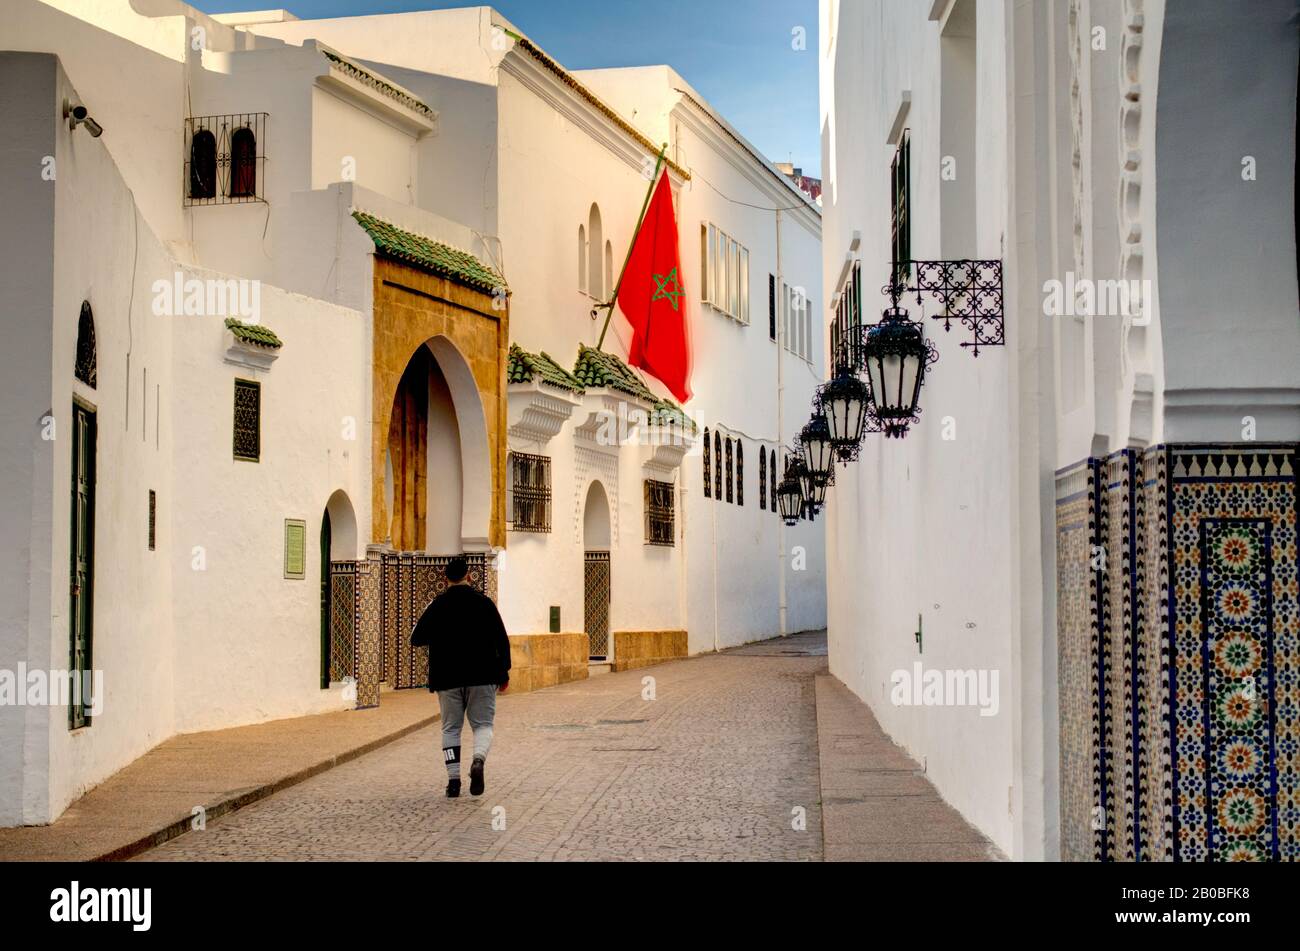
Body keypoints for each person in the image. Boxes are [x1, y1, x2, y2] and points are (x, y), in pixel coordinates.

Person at [410, 557, 511, 798]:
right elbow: (501, 640)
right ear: (469, 576)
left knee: (450, 729)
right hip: (483, 675)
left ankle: (453, 780)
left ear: (446, 579)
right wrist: (504, 671)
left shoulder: (437, 605)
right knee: (483, 725)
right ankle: (478, 760)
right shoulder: (485, 604)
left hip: (447, 677)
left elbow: (416, 638)